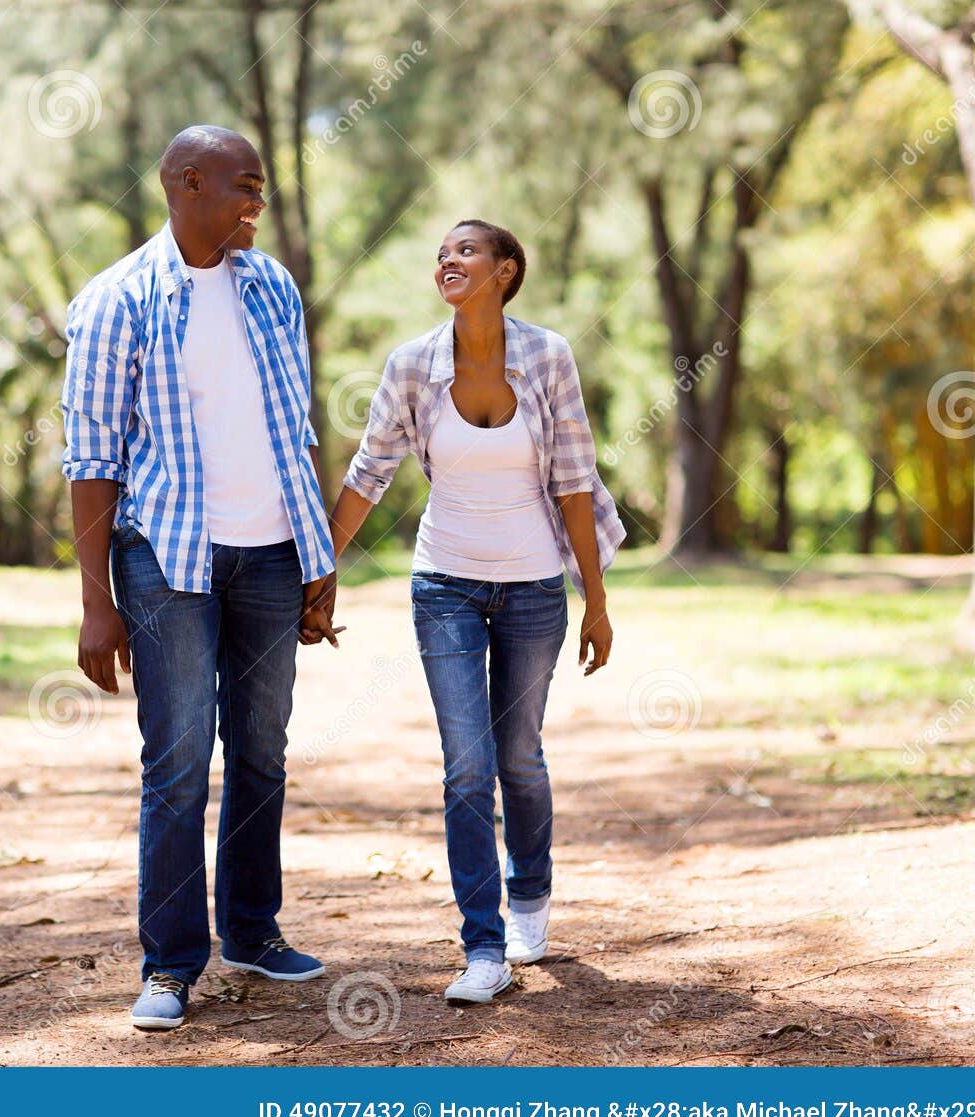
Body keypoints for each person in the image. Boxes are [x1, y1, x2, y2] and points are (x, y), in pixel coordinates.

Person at [60, 125, 339, 1031]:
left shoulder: (272, 286)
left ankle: (253, 932)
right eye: (244, 186)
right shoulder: (116, 302)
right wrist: (98, 602)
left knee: (262, 750)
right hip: (167, 560)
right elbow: (91, 461)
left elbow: (296, 429)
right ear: (188, 182)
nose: (258, 202)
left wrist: (315, 558)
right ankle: (171, 964)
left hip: (270, 555)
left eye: (260, 186)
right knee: (177, 763)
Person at [326, 219, 625, 1004]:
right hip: (446, 584)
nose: (447, 260)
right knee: (468, 765)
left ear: (506, 269)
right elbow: (370, 472)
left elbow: (574, 480)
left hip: (533, 588)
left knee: (519, 755)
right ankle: (482, 946)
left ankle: (530, 897)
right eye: (441, 254)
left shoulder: (548, 356)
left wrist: (595, 600)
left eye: (465, 250)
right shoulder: (414, 365)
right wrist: (319, 572)